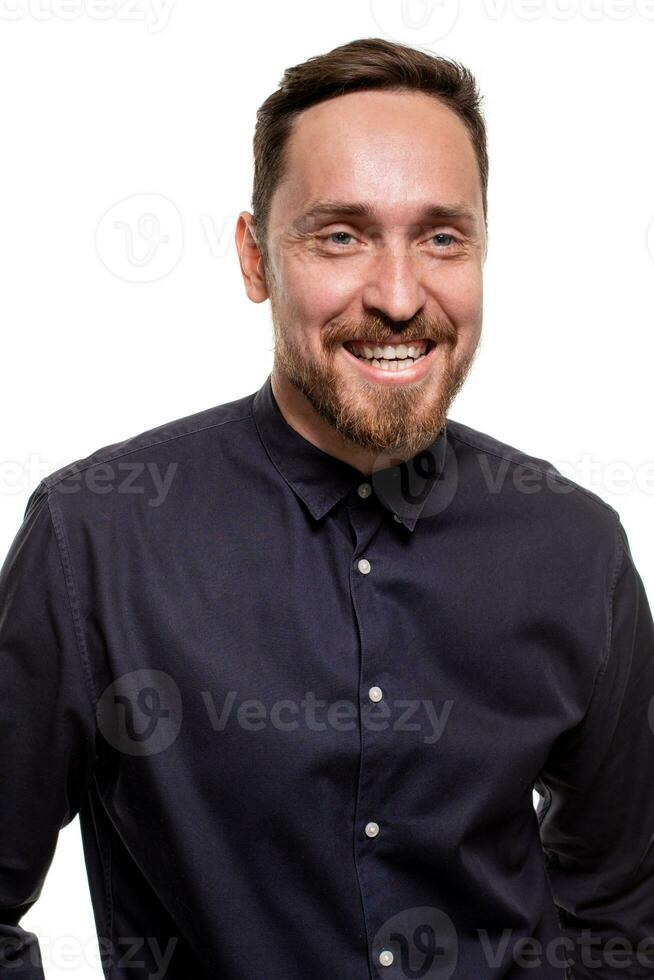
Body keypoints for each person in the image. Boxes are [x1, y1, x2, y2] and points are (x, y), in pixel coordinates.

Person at [1, 36, 653, 980]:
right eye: (340, 235)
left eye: (440, 236)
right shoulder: (92, 540)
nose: (397, 296)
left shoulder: (578, 549)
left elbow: (623, 910)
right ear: (256, 258)